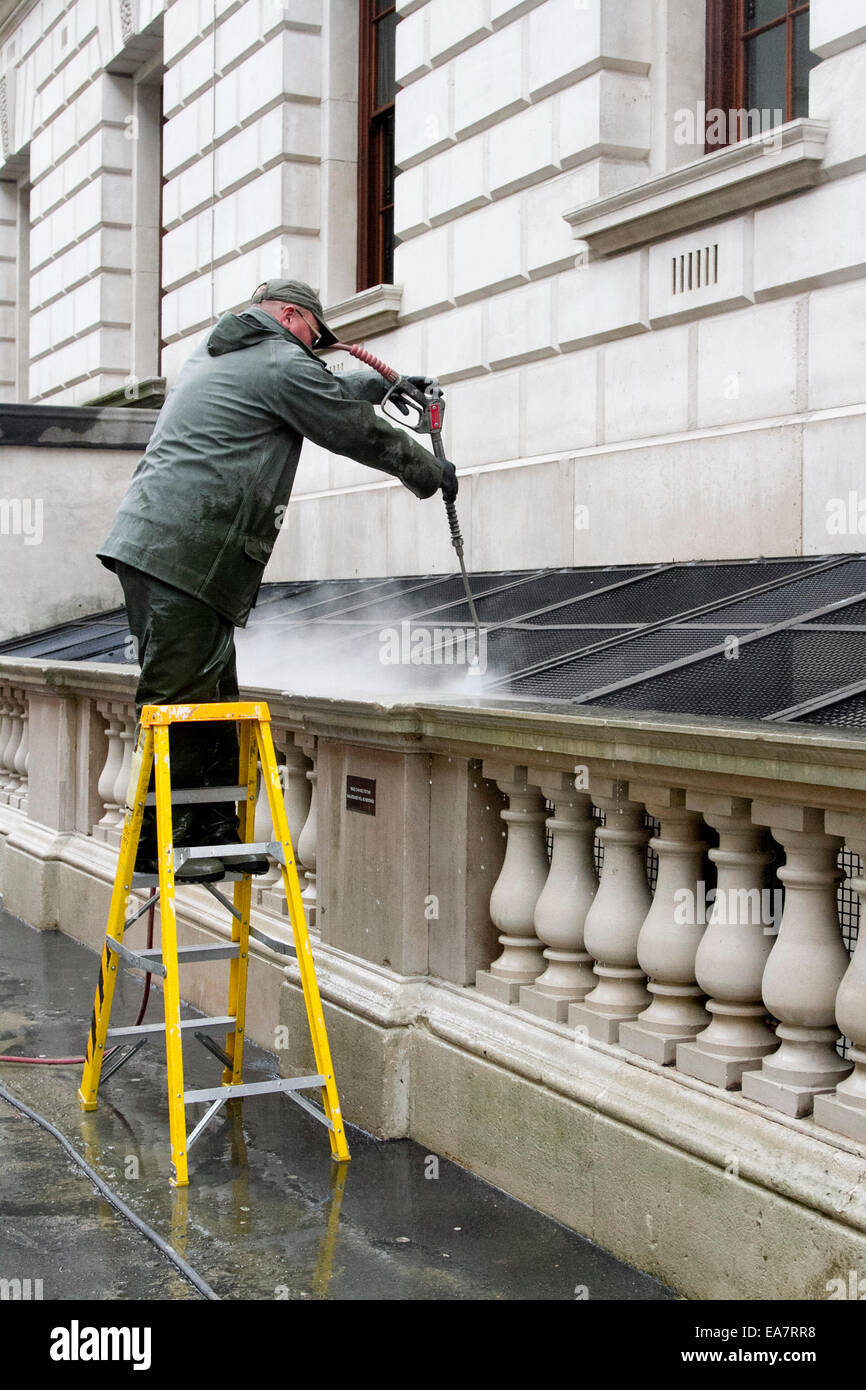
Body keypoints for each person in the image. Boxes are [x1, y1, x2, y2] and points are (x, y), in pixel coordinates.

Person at [97, 277, 458, 881]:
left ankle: (210, 834)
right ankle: (165, 840)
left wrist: (386, 385)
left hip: (167, 550)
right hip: (182, 552)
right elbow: (349, 426)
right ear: (292, 317)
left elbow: (320, 390)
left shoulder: (230, 354)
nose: (314, 353)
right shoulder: (276, 359)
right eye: (314, 340)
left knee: (211, 698)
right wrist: (430, 471)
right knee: (182, 700)